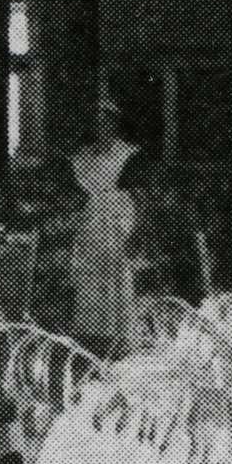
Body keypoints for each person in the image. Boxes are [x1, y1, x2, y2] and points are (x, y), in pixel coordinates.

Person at [65, 99, 153, 344]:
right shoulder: (83, 156)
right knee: (90, 273)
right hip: (92, 220)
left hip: (120, 218)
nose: (102, 126)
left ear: (116, 124)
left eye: (108, 121)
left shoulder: (128, 154)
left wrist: (137, 230)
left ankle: (119, 334)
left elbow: (141, 196)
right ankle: (92, 333)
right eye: (97, 122)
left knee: (116, 272)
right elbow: (75, 190)